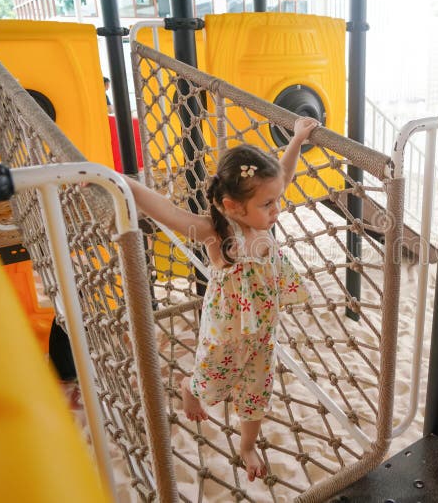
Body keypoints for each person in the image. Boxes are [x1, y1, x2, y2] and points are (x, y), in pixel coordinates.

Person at [122, 116, 319, 482]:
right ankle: (188, 387)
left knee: (256, 396)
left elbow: (284, 175)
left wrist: (296, 140)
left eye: (276, 201)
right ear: (232, 205)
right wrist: (124, 184)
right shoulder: (216, 233)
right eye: (268, 204)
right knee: (212, 385)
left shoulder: (261, 217)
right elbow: (168, 212)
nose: (277, 210)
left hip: (262, 334)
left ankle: (247, 445)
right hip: (224, 336)